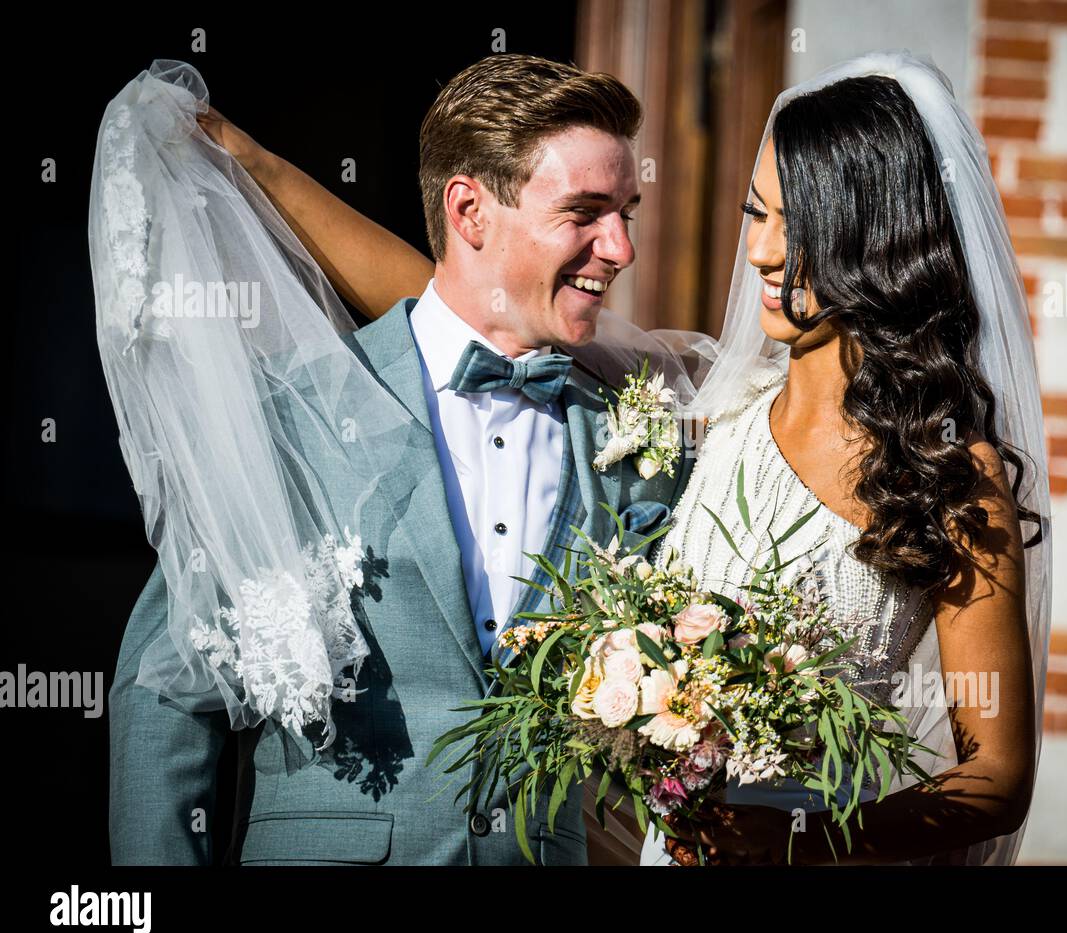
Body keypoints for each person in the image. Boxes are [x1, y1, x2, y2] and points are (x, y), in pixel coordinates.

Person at [180, 51, 1053, 867]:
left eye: (804, 223)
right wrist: (253, 163)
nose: (764, 252)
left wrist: (786, 842)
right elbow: (450, 300)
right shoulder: (707, 408)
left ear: (880, 234)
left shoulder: (949, 473)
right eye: (757, 212)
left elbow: (997, 778)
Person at [94, 55, 692, 865]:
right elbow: (167, 696)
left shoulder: (634, 441)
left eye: (626, 211)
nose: (618, 246)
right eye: (585, 212)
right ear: (470, 211)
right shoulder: (296, 417)